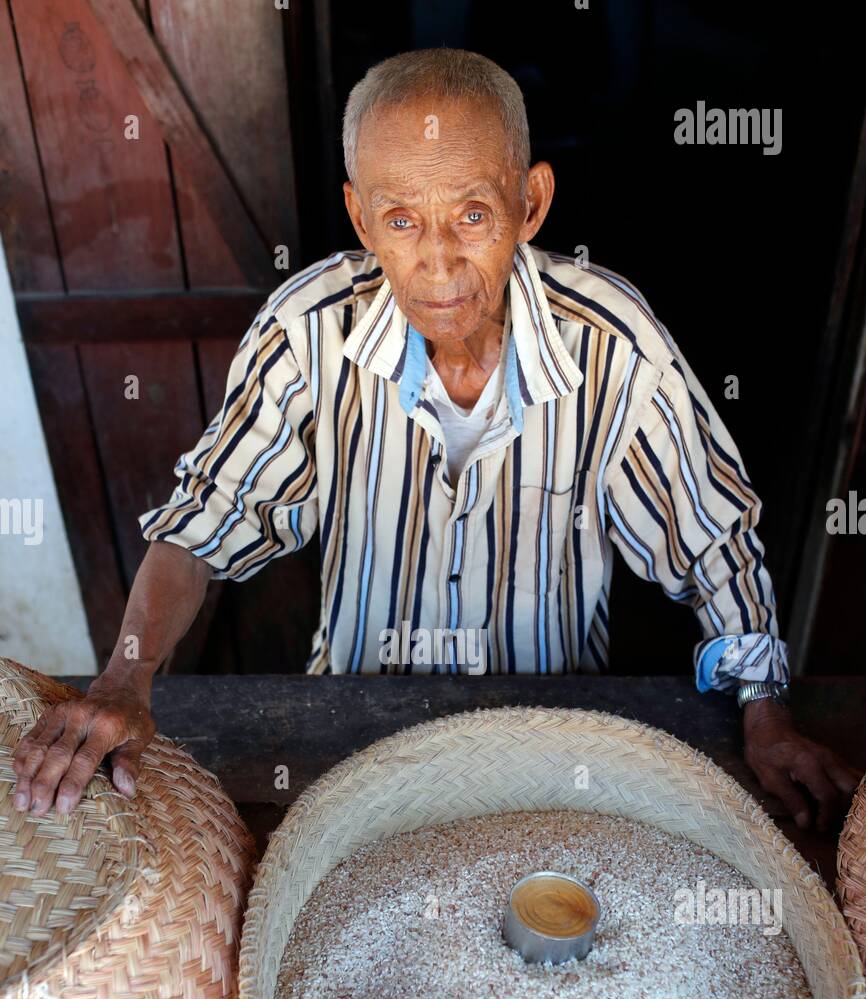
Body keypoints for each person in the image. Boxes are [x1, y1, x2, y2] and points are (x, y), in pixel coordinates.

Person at [12, 48, 860, 829]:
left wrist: (766, 712)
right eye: (403, 221)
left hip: (553, 747)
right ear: (360, 218)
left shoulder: (612, 341)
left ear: (531, 204)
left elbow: (713, 540)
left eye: (473, 213)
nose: (440, 263)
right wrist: (124, 678)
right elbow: (199, 530)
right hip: (350, 738)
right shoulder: (309, 334)